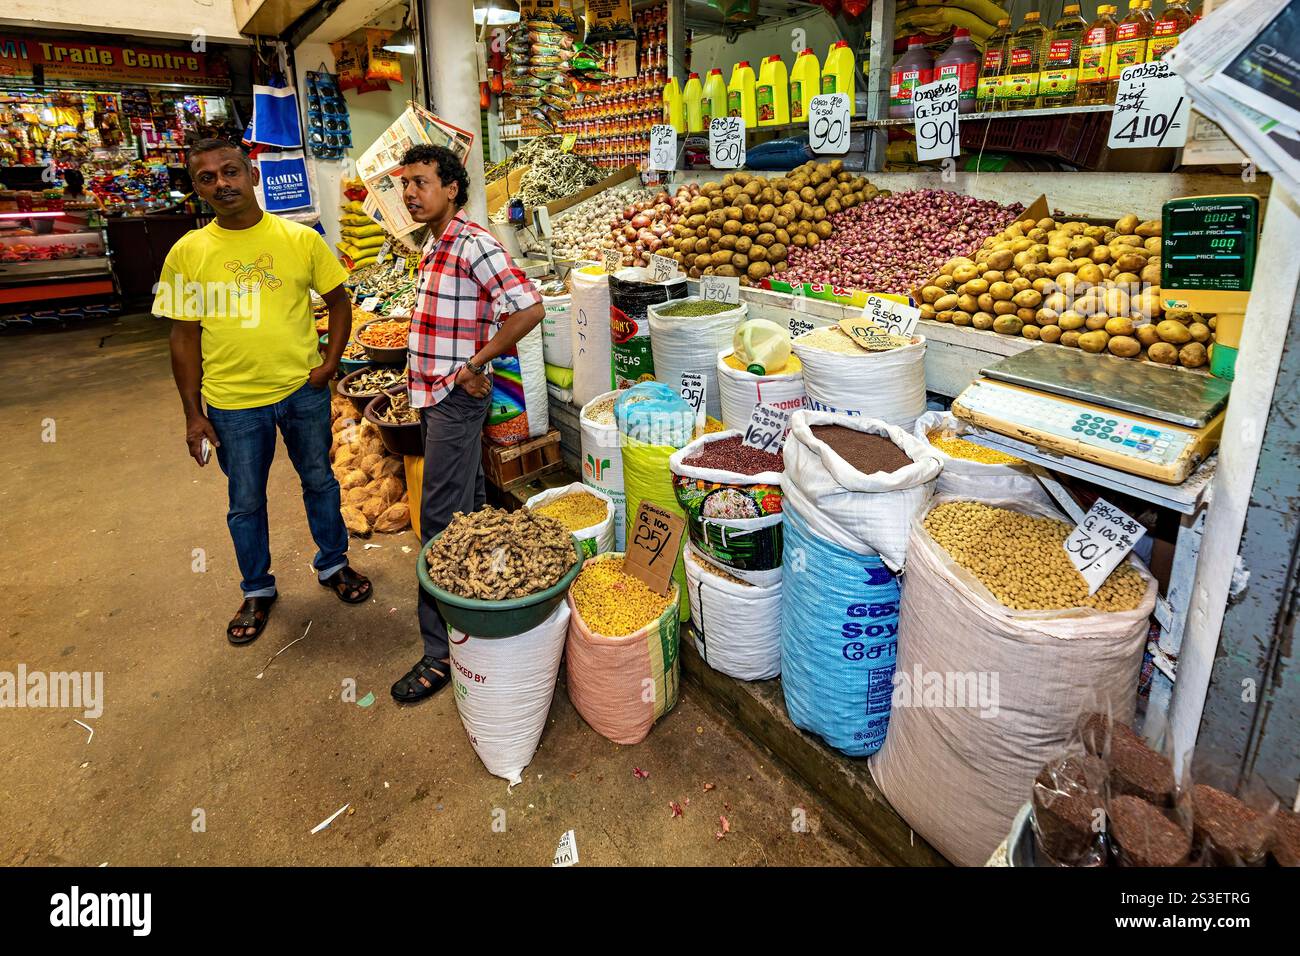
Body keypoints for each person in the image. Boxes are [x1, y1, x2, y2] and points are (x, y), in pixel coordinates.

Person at [155, 138, 373, 645]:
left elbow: (339, 302)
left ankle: (334, 564)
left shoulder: (300, 239)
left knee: (319, 480)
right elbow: (182, 336)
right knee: (245, 501)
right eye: (207, 178)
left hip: (303, 391)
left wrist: (330, 364)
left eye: (230, 171)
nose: (221, 184)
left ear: (252, 175)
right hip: (232, 403)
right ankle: (257, 589)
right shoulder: (188, 253)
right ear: (197, 188)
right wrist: (193, 413)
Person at [390, 144, 544, 703]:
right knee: (468, 505)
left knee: (438, 519)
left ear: (452, 187)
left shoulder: (473, 243)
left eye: (422, 182)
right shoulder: (435, 244)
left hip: (453, 398)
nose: (410, 193)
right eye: (406, 183)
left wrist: (476, 364)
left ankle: (439, 653)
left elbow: (529, 308)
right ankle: (481, 607)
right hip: (434, 395)